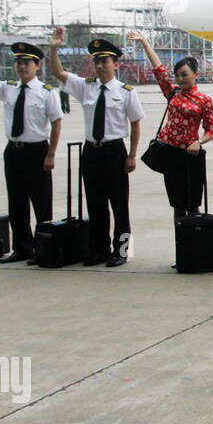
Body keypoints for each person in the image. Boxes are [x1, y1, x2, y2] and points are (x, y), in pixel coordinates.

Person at [0, 32, 64, 264]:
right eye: (18, 62)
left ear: (37, 65)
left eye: (26, 62)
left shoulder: (47, 92)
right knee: (17, 203)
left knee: (41, 204)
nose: (21, 67)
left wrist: (51, 153)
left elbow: (56, 122)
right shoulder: (8, 88)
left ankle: (42, 249)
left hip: (37, 151)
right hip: (14, 151)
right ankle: (22, 248)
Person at [49, 29, 143, 267]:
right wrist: (54, 48)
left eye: (104, 61)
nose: (100, 66)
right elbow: (58, 73)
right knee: (96, 204)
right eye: (97, 62)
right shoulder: (86, 87)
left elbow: (135, 124)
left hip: (115, 151)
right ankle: (98, 250)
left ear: (115, 64)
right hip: (91, 151)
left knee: (119, 205)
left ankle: (121, 251)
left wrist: (132, 155)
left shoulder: (126, 92)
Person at [127, 31, 213, 222]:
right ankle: (181, 243)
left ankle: (194, 243)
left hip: (191, 156)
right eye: (178, 76)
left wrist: (198, 141)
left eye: (185, 74)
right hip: (171, 155)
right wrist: (145, 43)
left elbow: (211, 131)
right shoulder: (172, 93)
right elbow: (158, 69)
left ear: (195, 75)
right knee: (177, 205)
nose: (181, 79)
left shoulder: (204, 100)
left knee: (193, 206)